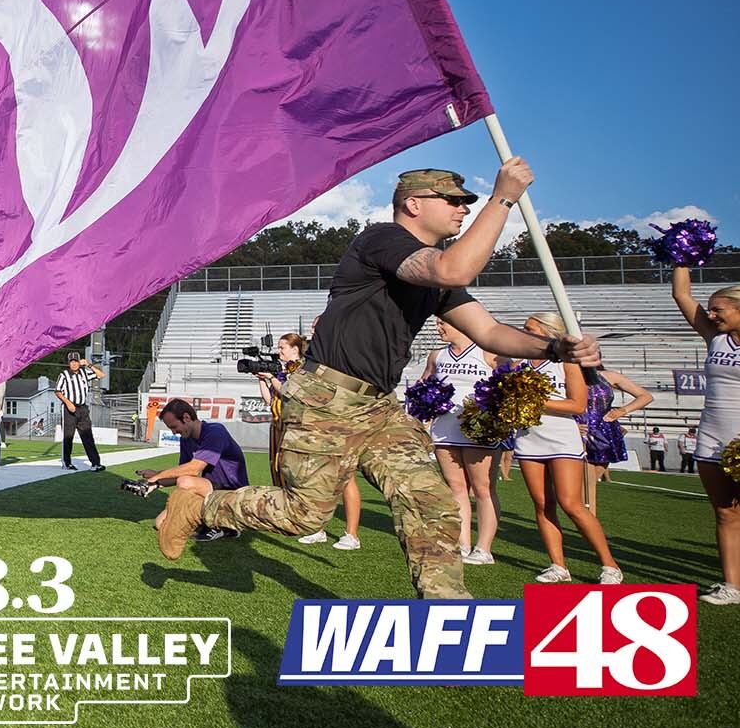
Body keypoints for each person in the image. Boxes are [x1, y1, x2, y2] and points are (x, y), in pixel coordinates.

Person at [157, 164, 602, 600]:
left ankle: (446, 606)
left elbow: (488, 332)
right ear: (413, 204)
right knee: (305, 515)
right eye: (452, 200)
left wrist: (554, 349)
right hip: (325, 398)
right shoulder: (382, 240)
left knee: (433, 502)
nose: (462, 209)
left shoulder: (435, 279)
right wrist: (501, 199)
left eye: (467, 203)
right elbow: (452, 269)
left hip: (378, 407)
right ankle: (201, 507)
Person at [508, 313, 621, 584]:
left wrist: (534, 401)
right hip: (528, 438)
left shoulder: (567, 362)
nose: (524, 332)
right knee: (542, 504)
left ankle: (610, 565)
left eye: (530, 329)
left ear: (549, 331)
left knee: (571, 503)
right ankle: (558, 566)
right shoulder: (518, 364)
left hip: (561, 438)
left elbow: (577, 405)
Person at [668, 272, 740, 603]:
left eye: (718, 310)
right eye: (710, 309)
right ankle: (731, 586)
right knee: (725, 512)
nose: (710, 315)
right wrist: (681, 257)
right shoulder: (715, 337)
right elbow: (682, 295)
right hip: (712, 437)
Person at [258, 332, 360, 550]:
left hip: (325, 427)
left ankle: (351, 534)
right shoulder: (288, 370)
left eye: (282, 348)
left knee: (344, 478)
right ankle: (316, 529)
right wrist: (263, 380)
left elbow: (290, 392)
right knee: (307, 479)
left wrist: (272, 379)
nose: (279, 352)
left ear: (295, 350)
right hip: (289, 428)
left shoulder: (308, 368)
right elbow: (273, 400)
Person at [417, 318, 501, 564]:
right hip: (445, 428)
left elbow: (507, 386)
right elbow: (424, 385)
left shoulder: (488, 353)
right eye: (437, 324)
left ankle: (484, 548)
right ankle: (463, 543)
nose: (439, 328)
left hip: (480, 430)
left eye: (443, 323)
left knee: (483, 489)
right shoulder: (437, 355)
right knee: (456, 487)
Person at [134, 399, 249, 541]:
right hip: (211, 490)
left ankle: (226, 526)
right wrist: (154, 484)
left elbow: (194, 469)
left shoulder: (215, 432)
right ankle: (208, 519)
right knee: (161, 524)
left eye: (174, 427)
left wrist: (157, 476)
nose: (174, 432)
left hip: (233, 493)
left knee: (186, 481)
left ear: (187, 418)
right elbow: (182, 472)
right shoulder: (186, 439)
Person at [580, 369, 648, 513]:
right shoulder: (567, 373)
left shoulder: (609, 376)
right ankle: (589, 527)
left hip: (604, 432)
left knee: (589, 485)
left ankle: (589, 527)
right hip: (580, 431)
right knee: (585, 486)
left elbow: (645, 396)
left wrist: (622, 410)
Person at [55, 352, 104, 471]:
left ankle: (95, 463)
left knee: (88, 436)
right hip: (69, 408)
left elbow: (101, 375)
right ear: (69, 363)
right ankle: (67, 463)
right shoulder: (64, 375)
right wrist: (68, 403)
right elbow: (58, 391)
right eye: (71, 361)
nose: (74, 364)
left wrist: (88, 364)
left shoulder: (84, 373)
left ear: (79, 362)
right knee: (68, 437)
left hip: (82, 408)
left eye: (76, 361)